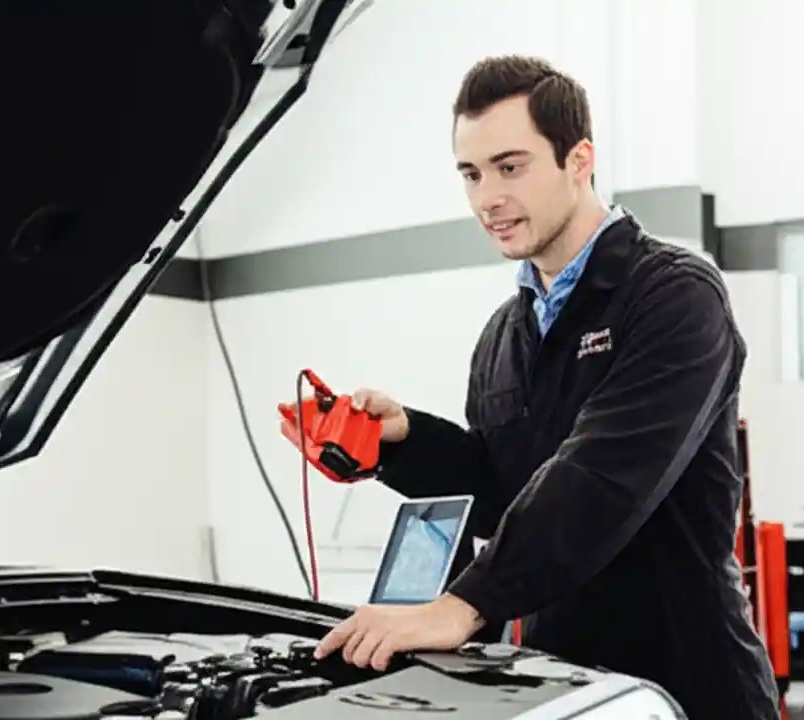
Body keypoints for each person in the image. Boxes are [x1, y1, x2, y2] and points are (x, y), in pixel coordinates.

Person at [310, 55, 780, 719]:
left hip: (683, 683)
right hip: (560, 685)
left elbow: (601, 478)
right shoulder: (504, 333)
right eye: (471, 174)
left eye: (510, 167)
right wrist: (404, 442)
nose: (487, 198)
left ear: (579, 159)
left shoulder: (674, 296)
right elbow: (503, 490)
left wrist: (463, 606)